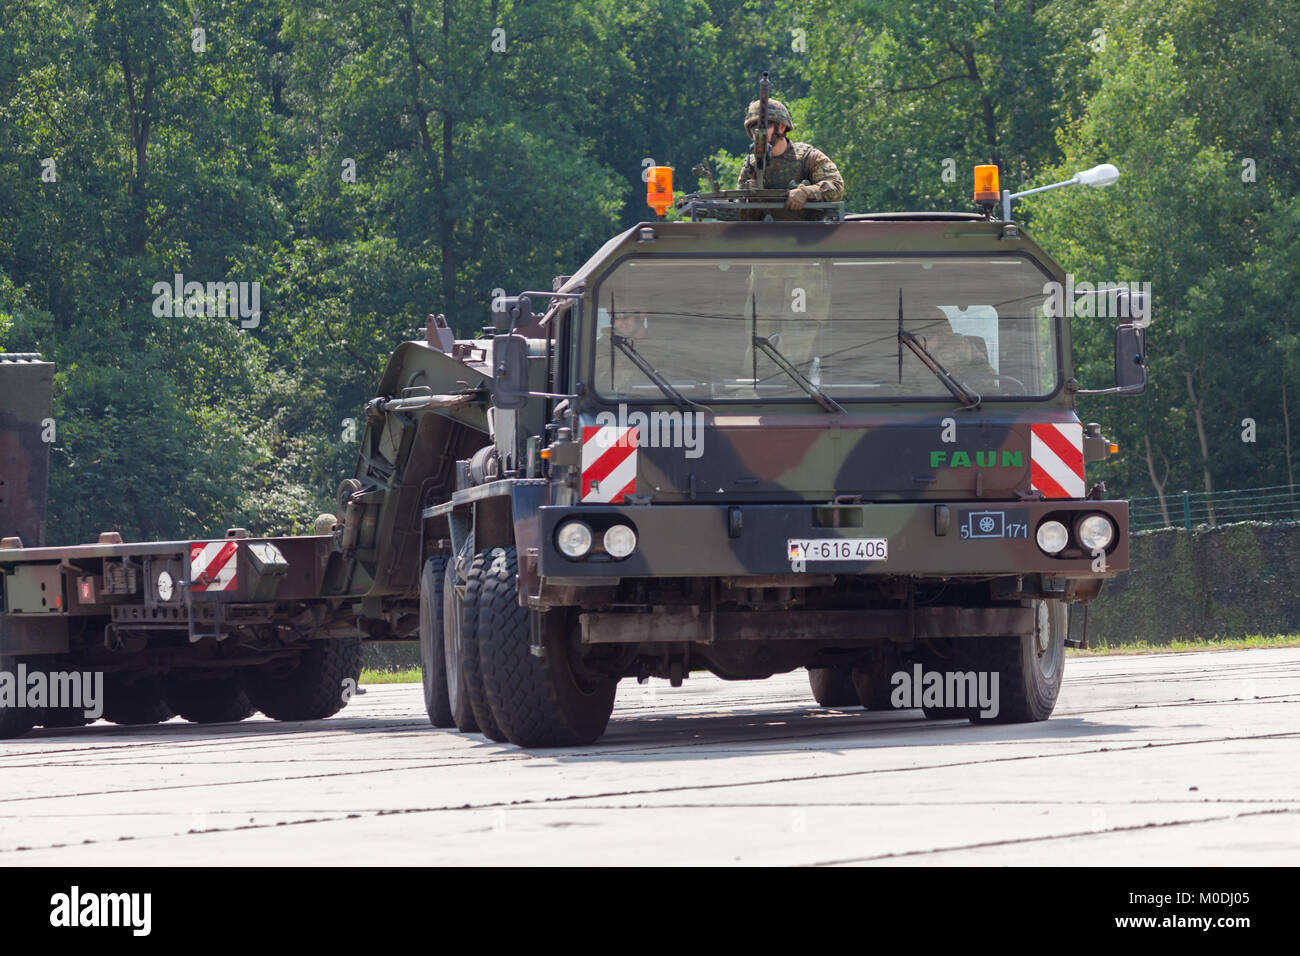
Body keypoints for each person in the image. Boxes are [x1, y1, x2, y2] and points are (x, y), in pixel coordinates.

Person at [737, 98, 845, 213]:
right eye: (754, 127)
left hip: (808, 229)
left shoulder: (808, 157)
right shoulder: (751, 166)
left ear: (782, 127)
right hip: (765, 230)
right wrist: (750, 199)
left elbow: (836, 187)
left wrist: (806, 192)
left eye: (765, 125)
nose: (759, 131)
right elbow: (739, 212)